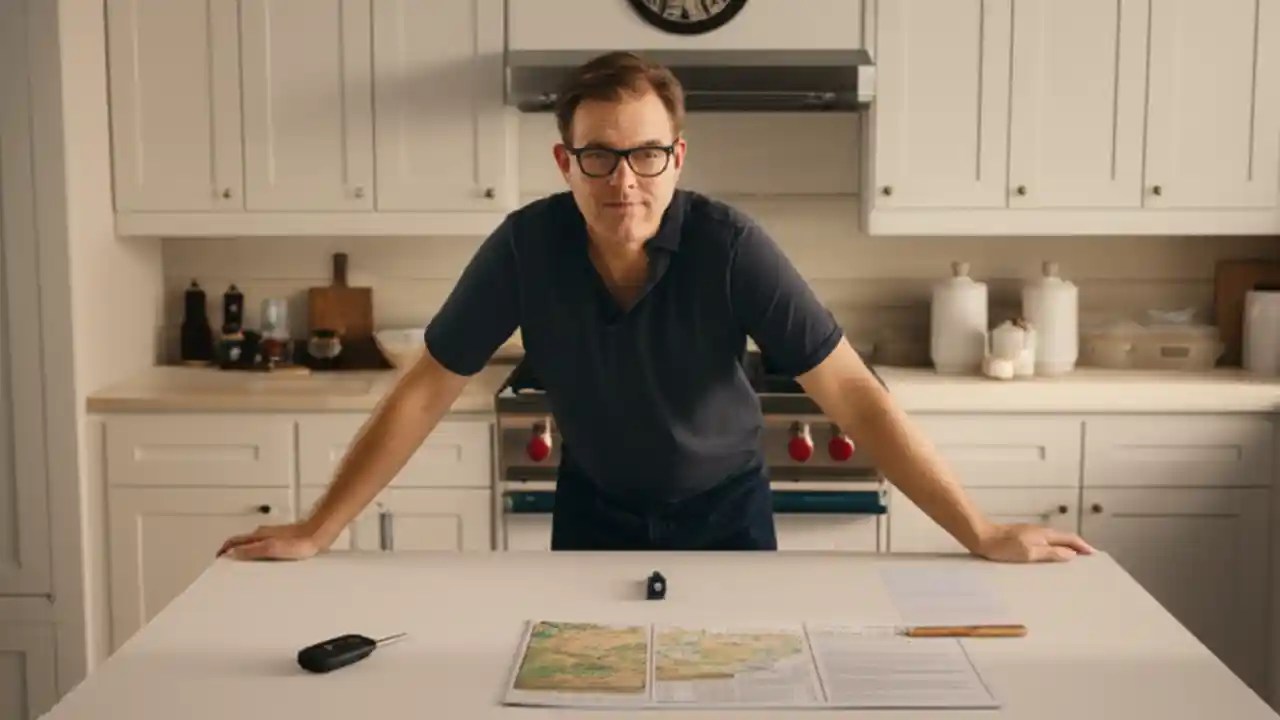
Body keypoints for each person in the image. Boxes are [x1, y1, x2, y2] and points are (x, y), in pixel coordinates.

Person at [217, 51, 1094, 563]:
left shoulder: (732, 246)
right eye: (599, 156)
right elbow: (425, 387)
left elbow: (856, 395)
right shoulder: (525, 247)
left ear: (678, 156)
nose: (623, 181)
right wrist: (318, 529)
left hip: (727, 512)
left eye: (644, 155)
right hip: (592, 509)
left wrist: (978, 532)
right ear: (566, 164)